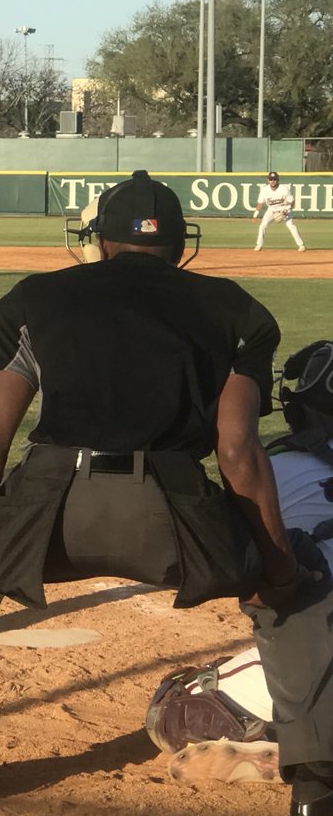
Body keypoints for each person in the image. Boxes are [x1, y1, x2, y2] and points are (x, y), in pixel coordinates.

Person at [0, 171, 333, 815]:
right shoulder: (235, 310)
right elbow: (237, 453)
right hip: (176, 515)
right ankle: (316, 788)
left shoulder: (35, 298)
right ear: (177, 244)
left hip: (51, 504)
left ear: (101, 241)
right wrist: (277, 568)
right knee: (300, 580)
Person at [143, 339, 333, 797]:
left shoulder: (277, 468)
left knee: (175, 713)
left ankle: (258, 718)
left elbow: (230, 566)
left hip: (317, 648)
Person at [252, 171, 306, 252]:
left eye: (274, 179)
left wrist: (286, 210)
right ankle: (259, 245)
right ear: (268, 180)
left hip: (284, 209)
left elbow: (292, 201)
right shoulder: (264, 190)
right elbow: (260, 203)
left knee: (291, 225)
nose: (272, 181)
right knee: (262, 226)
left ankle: (301, 245)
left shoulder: (284, 189)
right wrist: (255, 215)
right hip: (271, 210)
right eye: (270, 179)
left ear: (278, 180)